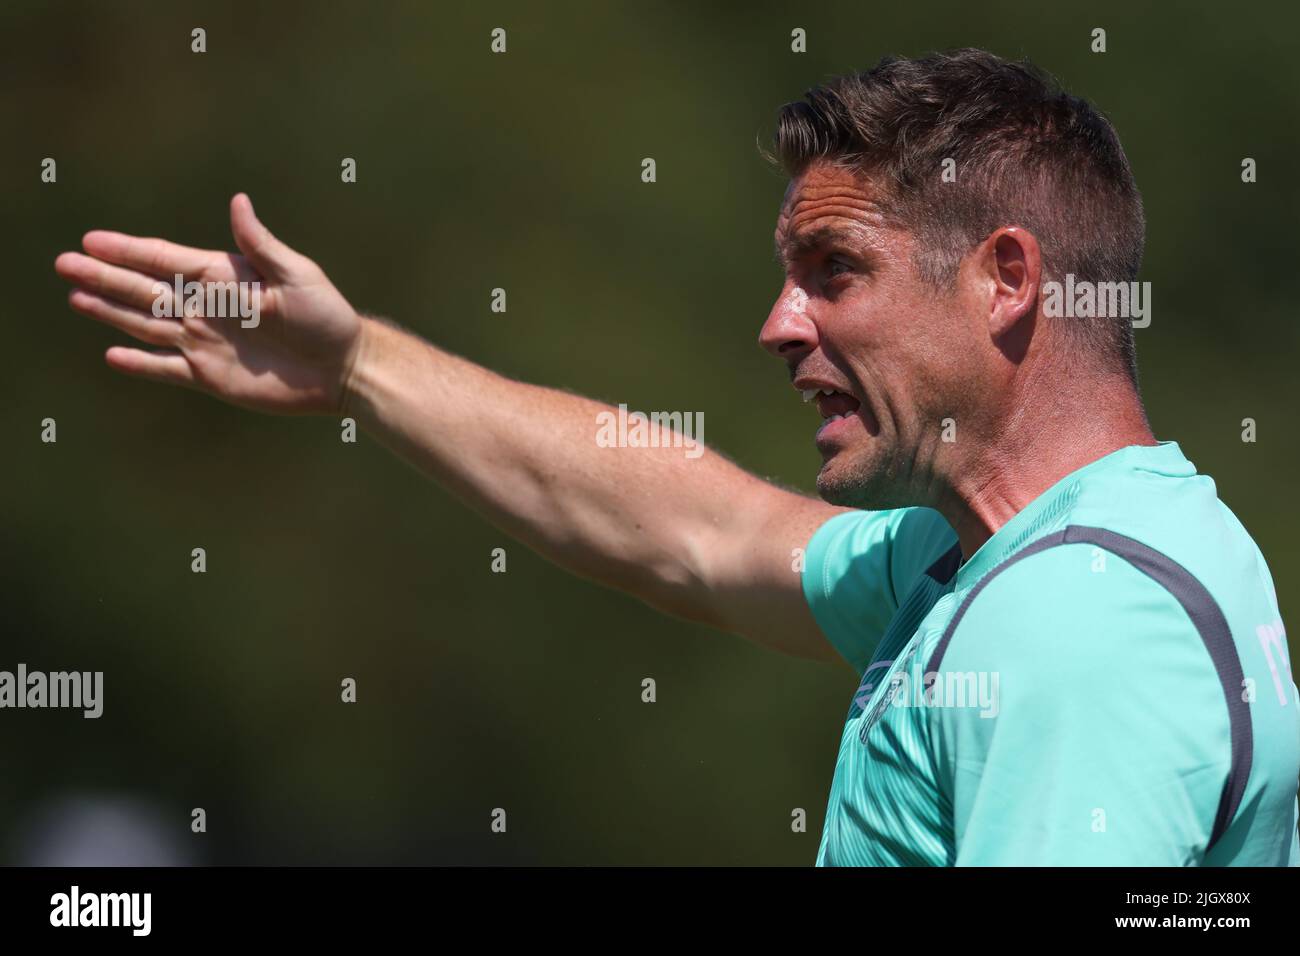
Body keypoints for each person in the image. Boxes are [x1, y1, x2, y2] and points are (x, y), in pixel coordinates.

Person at [54, 49, 1299, 865]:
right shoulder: (1001, 559)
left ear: (1007, 281)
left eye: (835, 272)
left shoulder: (1071, 634)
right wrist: (358, 365)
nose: (779, 323)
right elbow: (702, 535)